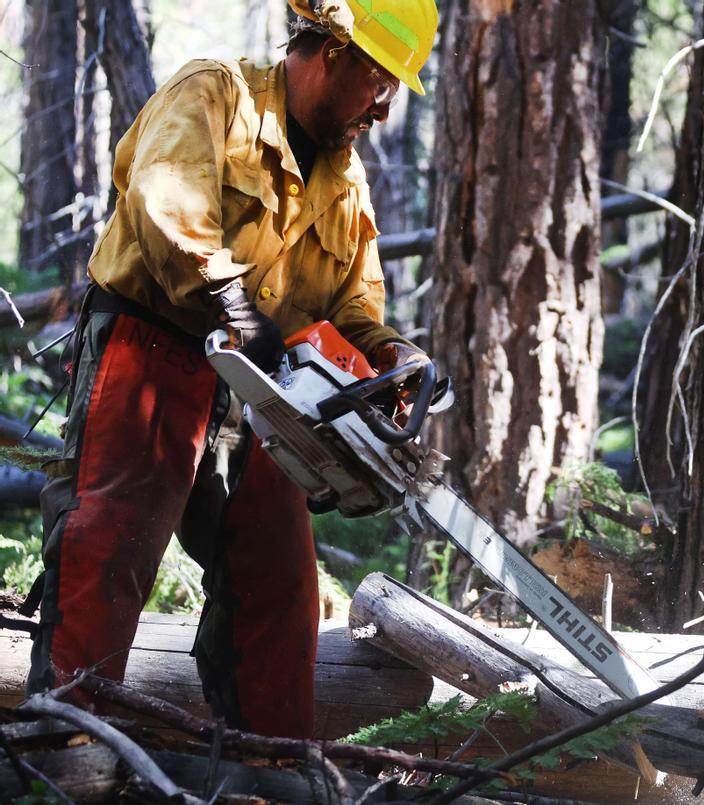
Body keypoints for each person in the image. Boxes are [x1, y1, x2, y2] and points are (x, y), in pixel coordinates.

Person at [24, 0, 439, 739]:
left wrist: (389, 355)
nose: (383, 109)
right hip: (154, 348)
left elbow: (354, 307)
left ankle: (271, 766)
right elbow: (165, 208)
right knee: (106, 550)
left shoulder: (345, 181)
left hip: (264, 392)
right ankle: (65, 747)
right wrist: (238, 309)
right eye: (379, 82)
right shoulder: (216, 94)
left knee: (279, 579)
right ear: (334, 52)